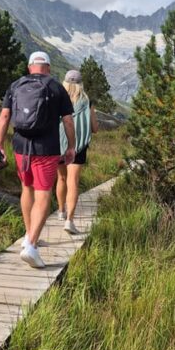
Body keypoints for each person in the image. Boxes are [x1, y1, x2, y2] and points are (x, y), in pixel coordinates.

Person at [0, 51, 76, 268]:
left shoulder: (16, 85)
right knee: (43, 194)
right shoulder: (57, 87)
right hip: (46, 149)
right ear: (48, 67)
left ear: (30, 67)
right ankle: (31, 244)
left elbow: (4, 116)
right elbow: (67, 121)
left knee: (26, 188)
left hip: (21, 147)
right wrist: (71, 147)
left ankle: (29, 236)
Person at [56, 70, 99, 234]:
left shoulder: (58, 99)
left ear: (64, 82)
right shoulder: (87, 102)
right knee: (73, 181)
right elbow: (94, 128)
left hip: (58, 144)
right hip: (78, 147)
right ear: (81, 84)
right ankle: (70, 221)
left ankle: (61, 211)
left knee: (61, 178)